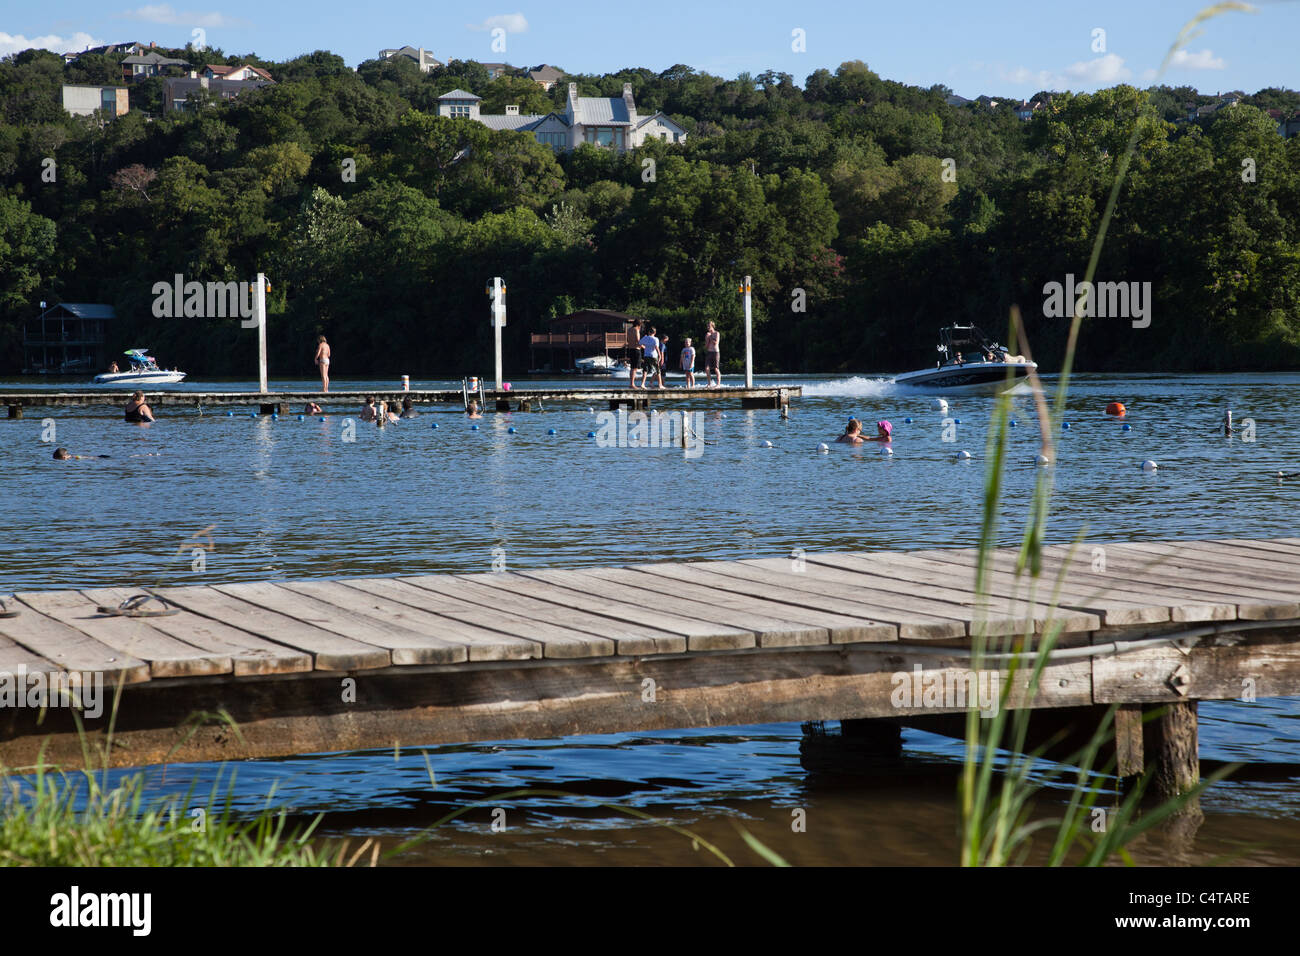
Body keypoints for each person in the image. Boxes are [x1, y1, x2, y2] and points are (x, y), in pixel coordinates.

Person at [626, 319, 643, 389]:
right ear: (639, 324)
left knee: (632, 367)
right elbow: (638, 341)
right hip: (636, 350)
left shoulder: (629, 330)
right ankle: (632, 384)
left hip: (630, 349)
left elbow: (628, 340)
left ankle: (631, 383)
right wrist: (644, 346)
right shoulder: (636, 330)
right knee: (635, 368)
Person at [704, 322, 721, 388]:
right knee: (707, 368)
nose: (708, 328)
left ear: (712, 326)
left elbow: (716, 343)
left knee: (716, 369)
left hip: (716, 352)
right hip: (709, 352)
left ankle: (718, 384)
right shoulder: (707, 334)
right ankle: (709, 383)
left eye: (709, 326)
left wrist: (710, 337)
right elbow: (706, 346)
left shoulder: (717, 333)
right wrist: (707, 339)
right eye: (707, 327)